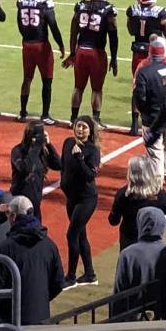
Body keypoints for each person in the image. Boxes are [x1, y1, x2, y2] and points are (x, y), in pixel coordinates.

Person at [2, 194, 64, 325]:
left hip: (13, 322)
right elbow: (58, 283)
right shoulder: (50, 245)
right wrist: (40, 298)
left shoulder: (6, 248)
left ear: (14, 217)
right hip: (42, 317)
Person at [58, 120, 102, 284]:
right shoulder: (68, 142)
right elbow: (63, 165)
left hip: (86, 199)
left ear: (90, 131)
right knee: (80, 235)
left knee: (72, 235)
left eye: (84, 127)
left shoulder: (93, 150)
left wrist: (80, 159)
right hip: (72, 198)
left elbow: (90, 175)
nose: (81, 129)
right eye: (79, 126)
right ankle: (90, 274)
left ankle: (70, 277)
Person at [112, 209, 166, 321]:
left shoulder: (127, 254)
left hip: (133, 318)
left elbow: (119, 293)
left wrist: (114, 321)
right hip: (162, 318)